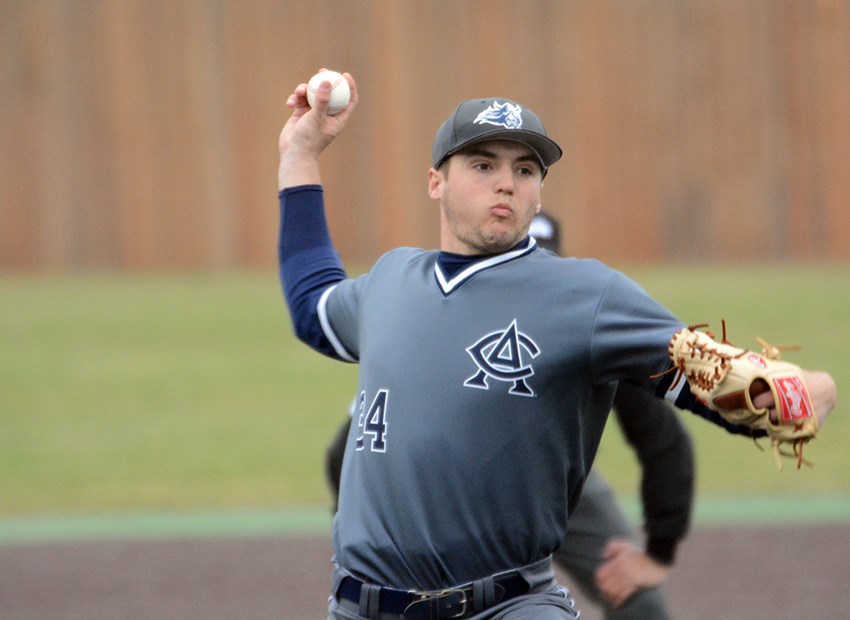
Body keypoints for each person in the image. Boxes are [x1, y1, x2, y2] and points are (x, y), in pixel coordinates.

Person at [277, 72, 837, 619]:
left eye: (525, 169)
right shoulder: (391, 279)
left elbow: (704, 376)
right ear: (435, 182)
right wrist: (301, 155)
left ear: (539, 193)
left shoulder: (585, 295)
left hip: (508, 605)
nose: (507, 182)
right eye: (482, 164)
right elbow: (313, 307)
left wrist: (787, 392)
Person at [324, 210, 695, 619]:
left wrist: (658, 552)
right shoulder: (443, 337)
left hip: (554, 490)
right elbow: (347, 449)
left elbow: (662, 440)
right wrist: (373, 535)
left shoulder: (588, 335)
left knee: (639, 601)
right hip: (453, 494)